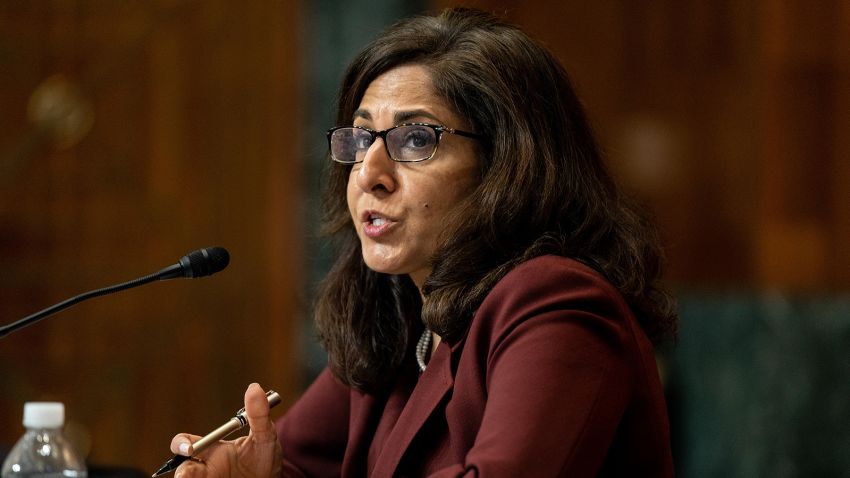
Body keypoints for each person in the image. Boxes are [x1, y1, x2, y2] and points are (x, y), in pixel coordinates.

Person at [169, 7, 678, 477]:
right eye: (360, 138)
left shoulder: (557, 302)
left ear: (507, 164)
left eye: (415, 140)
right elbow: (302, 464)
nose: (370, 174)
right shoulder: (398, 313)